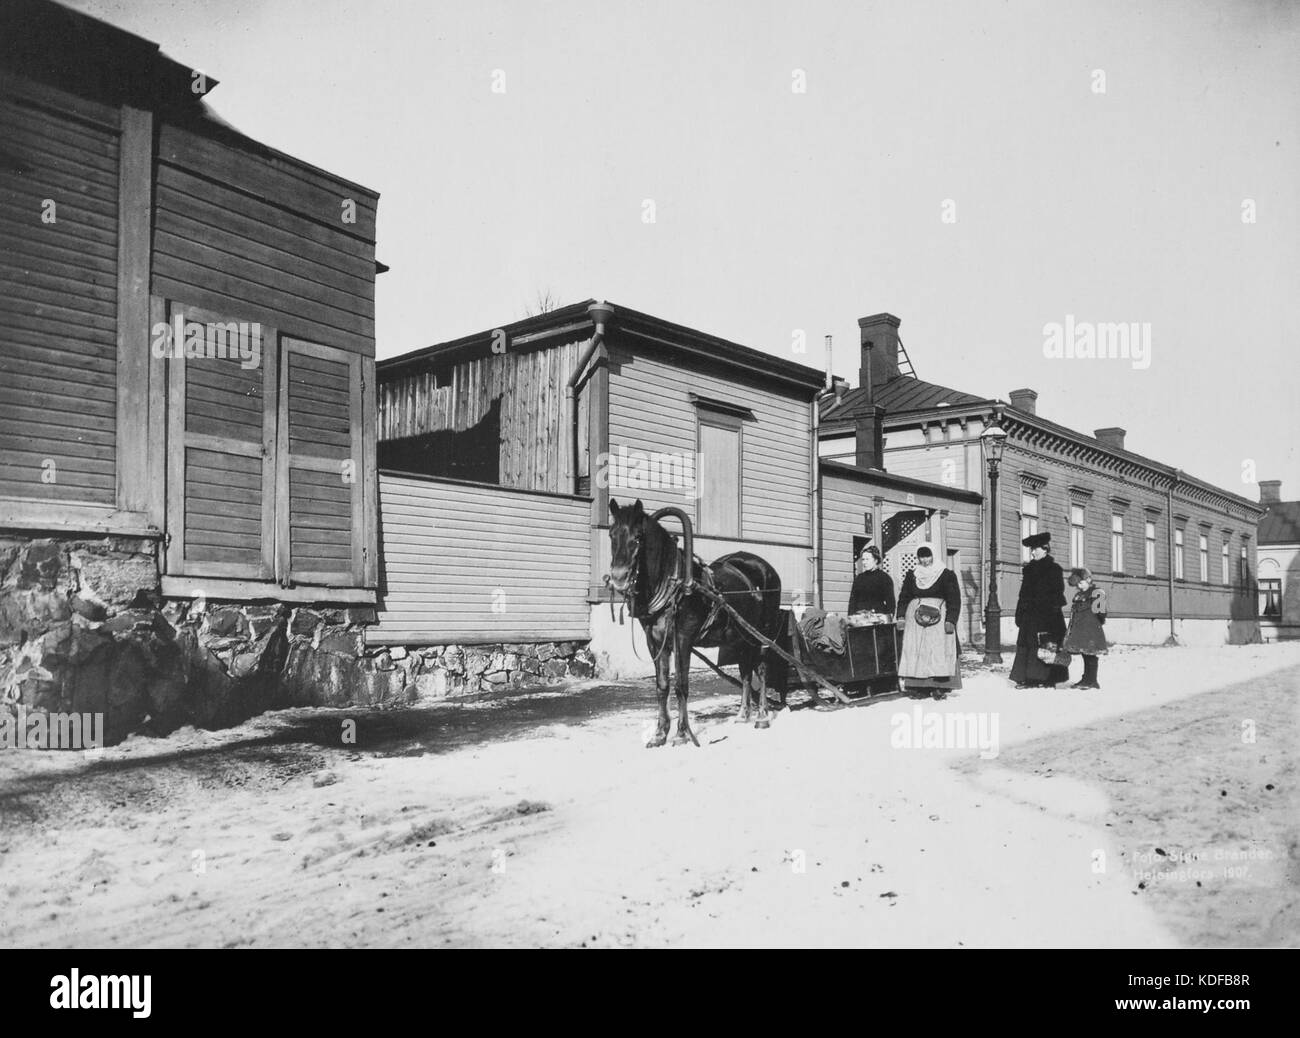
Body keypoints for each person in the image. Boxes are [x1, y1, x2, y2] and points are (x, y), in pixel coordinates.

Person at [895, 543, 961, 699]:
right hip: (915, 619)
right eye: (921, 557)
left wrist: (951, 619)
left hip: (938, 618)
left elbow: (954, 599)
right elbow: (904, 597)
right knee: (917, 651)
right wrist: (901, 616)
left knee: (936, 651)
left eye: (928, 556)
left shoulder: (946, 574)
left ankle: (940, 686)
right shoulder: (913, 575)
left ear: (934, 555)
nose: (925, 560)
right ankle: (919, 687)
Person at [1009, 531, 1069, 688]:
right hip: (1029, 616)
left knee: (1047, 645)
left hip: (1048, 616)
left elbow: (1057, 593)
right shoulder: (1028, 570)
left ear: (1045, 549)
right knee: (1027, 645)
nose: (1033, 552)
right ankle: (1027, 678)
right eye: (1032, 549)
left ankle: (1048, 679)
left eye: (1035, 549)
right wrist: (1019, 613)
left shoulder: (1054, 569)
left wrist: (1049, 613)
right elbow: (1023, 594)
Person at [1063, 567, 1108, 689]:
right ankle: (1086, 678)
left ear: (1088, 579)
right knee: (1085, 654)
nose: (1079, 586)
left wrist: (1095, 624)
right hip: (1080, 629)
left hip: (1091, 629)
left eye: (1081, 582)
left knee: (1091, 655)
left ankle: (1092, 680)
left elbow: (1101, 613)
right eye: (1077, 584)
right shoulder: (1079, 595)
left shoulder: (1096, 593)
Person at [848, 545, 895, 615]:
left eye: (867, 559)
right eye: (863, 559)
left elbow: (890, 604)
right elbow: (852, 602)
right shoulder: (859, 578)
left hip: (877, 619)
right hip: (860, 620)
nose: (864, 562)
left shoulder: (884, 578)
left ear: (876, 560)